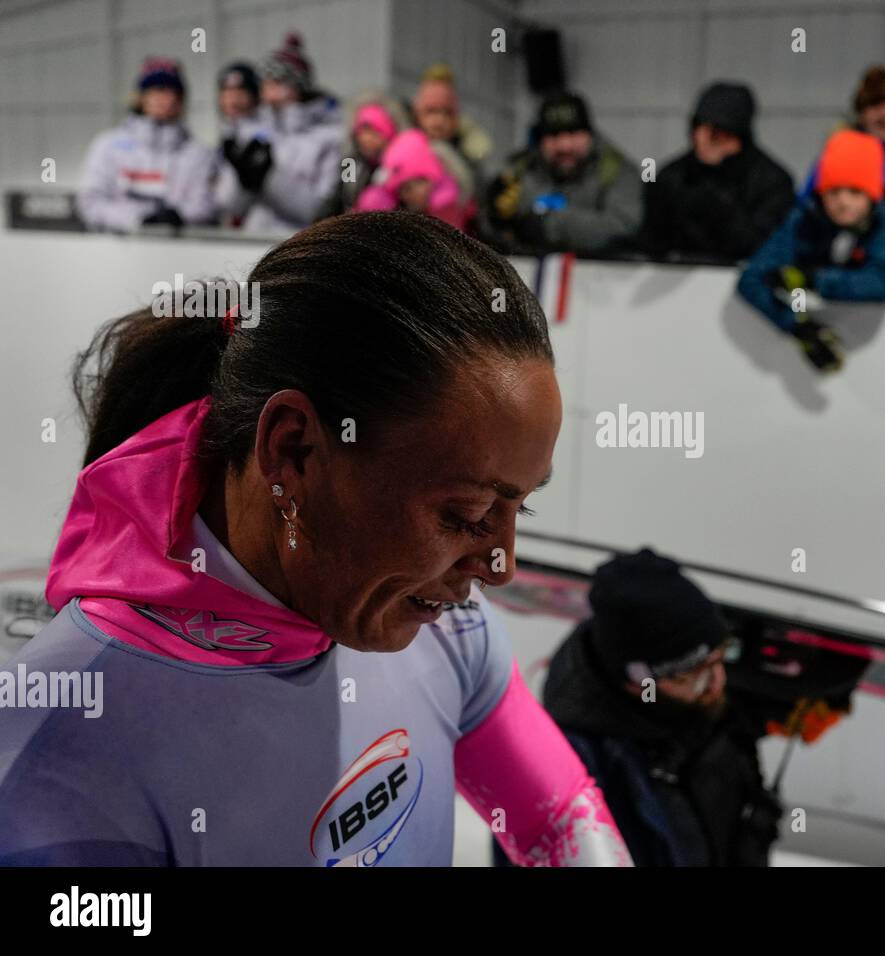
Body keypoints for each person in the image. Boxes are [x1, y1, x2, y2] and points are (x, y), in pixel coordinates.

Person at [0, 212, 631, 867]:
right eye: (466, 514)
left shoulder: (437, 621)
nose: (501, 567)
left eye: (518, 509)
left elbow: (560, 822)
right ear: (294, 450)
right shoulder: (61, 760)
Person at [539, 548, 782, 866]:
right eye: (689, 676)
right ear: (638, 680)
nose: (715, 684)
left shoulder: (694, 702)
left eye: (720, 659)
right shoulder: (567, 777)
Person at [738, 130, 885, 373]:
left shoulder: (884, 224)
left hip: (884, 355)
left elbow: (881, 280)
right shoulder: (803, 220)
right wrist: (795, 323)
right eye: (833, 191)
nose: (843, 202)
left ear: (872, 194)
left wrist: (814, 279)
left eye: (855, 192)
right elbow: (753, 278)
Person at [639, 81, 794, 260]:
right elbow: (651, 241)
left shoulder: (772, 182)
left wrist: (715, 201)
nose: (701, 139)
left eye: (716, 133)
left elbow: (762, 247)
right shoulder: (672, 177)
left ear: (737, 136)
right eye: (697, 127)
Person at [478, 91, 642, 255]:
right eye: (554, 135)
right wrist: (495, 220)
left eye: (573, 132)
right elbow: (487, 234)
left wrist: (547, 225)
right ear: (540, 140)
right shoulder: (521, 168)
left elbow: (626, 227)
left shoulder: (618, 171)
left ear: (589, 134)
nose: (564, 146)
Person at [214, 33, 343, 233]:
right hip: (249, 241)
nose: (266, 88)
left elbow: (319, 210)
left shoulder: (329, 138)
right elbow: (230, 206)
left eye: (276, 81)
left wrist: (269, 177)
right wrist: (242, 180)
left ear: (297, 86)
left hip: (298, 244)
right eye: (264, 82)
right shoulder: (251, 131)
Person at [76, 57, 217, 232]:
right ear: (142, 97)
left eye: (173, 92)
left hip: (176, 250)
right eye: (157, 90)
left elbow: (204, 206)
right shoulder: (108, 145)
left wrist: (176, 217)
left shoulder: (198, 153)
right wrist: (138, 220)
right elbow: (90, 202)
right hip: (115, 249)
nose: (166, 98)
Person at [799, 66, 885, 222]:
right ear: (860, 114)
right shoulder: (838, 155)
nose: (884, 115)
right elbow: (805, 208)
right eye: (874, 104)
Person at [411, 64, 493, 229]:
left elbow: (481, 211)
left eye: (447, 113)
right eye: (431, 111)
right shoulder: (404, 151)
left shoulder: (470, 155)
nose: (439, 121)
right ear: (418, 114)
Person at [316, 95, 404, 220]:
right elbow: (339, 198)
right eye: (362, 132)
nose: (366, 139)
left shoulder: (394, 168)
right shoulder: (351, 163)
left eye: (374, 133)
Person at [355, 129, 462, 224]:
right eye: (403, 189)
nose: (410, 195)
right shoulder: (398, 209)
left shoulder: (446, 210)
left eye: (418, 183)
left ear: (431, 179)